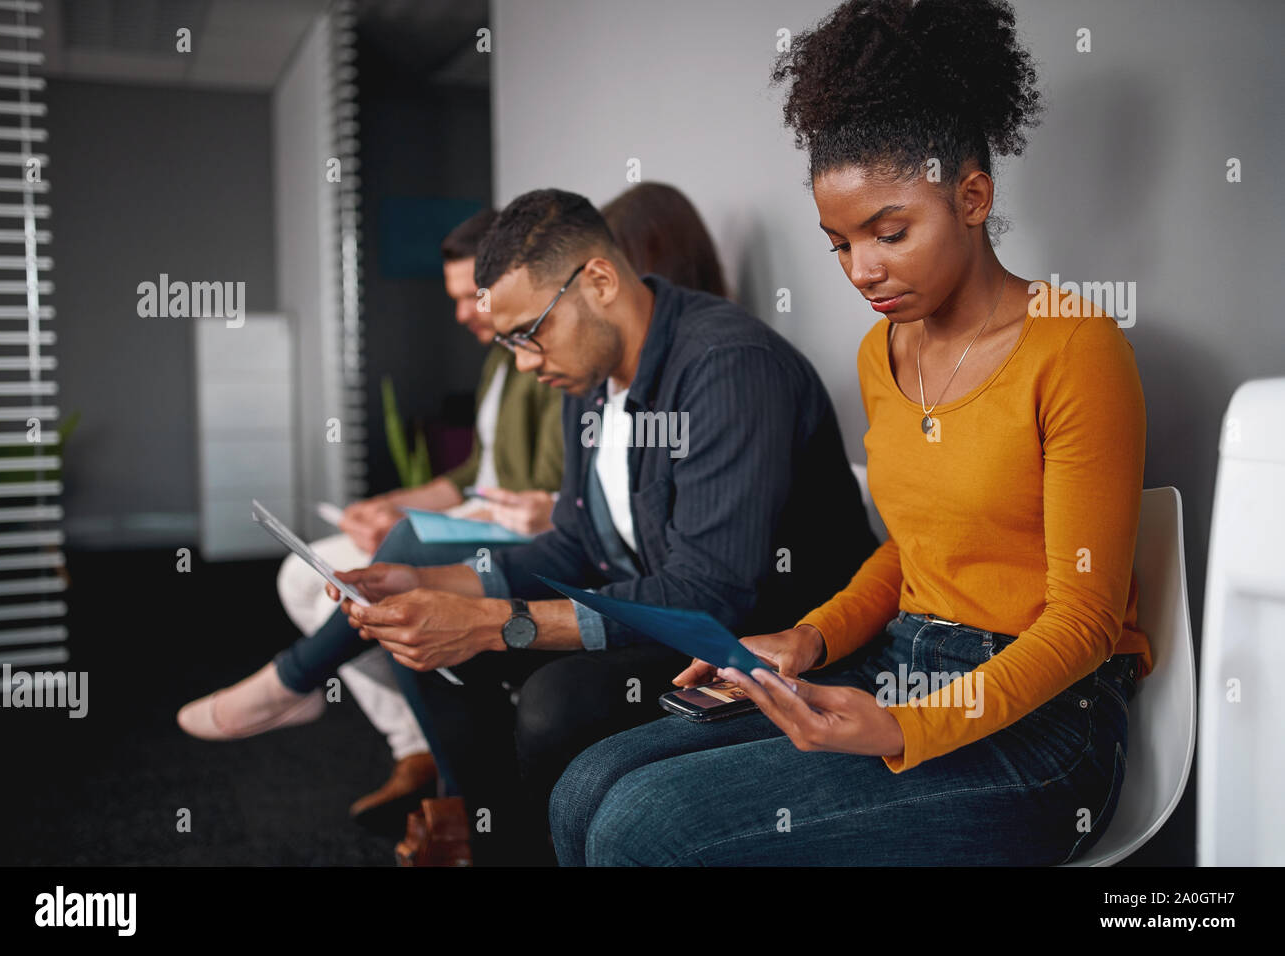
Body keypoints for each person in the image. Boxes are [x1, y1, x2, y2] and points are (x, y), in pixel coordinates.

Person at [550, 0, 1151, 867]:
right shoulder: (884, 351)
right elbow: (912, 552)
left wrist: (910, 724)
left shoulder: (1076, 346)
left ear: (972, 196)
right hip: (901, 655)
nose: (862, 269)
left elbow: (1086, 622)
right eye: (839, 244)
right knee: (587, 785)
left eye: (890, 232)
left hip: (1047, 725)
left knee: (643, 826)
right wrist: (812, 637)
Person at [329, 187, 879, 865]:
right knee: (420, 637)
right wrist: (425, 579)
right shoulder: (589, 378)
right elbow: (576, 541)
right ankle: (501, 844)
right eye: (510, 342)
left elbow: (712, 593)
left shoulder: (727, 366)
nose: (525, 362)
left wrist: (493, 620)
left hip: (771, 632)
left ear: (597, 280)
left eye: (531, 333)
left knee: (555, 702)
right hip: (676, 606)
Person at [178, 209, 564, 835]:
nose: (463, 313)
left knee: (380, 573)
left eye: (475, 296)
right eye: (458, 297)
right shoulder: (500, 360)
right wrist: (391, 503)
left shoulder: (541, 357)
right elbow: (470, 472)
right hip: (486, 512)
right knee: (310, 576)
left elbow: (533, 491)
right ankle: (410, 744)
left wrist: (408, 522)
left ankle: (302, 683)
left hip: (520, 527)